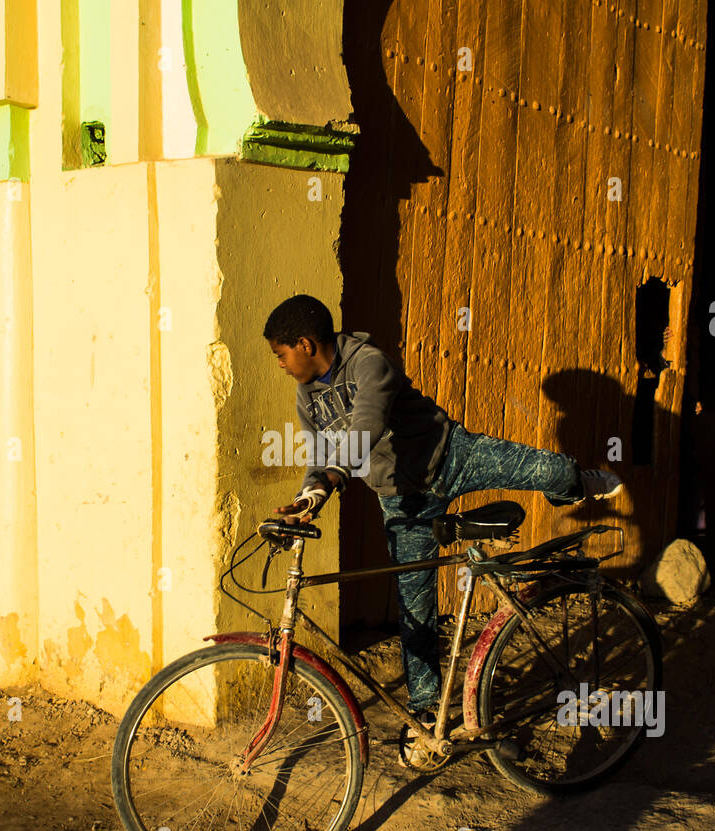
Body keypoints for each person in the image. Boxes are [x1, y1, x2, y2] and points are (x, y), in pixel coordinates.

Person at [263, 294, 622, 729]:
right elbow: (319, 458)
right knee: (415, 611)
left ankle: (576, 485)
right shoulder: (307, 397)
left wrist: (336, 474)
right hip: (401, 499)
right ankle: (427, 710)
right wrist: (309, 498)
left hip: (452, 455)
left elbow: (368, 423)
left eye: (280, 355)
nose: (280, 365)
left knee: (552, 469)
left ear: (304, 344)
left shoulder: (369, 362)